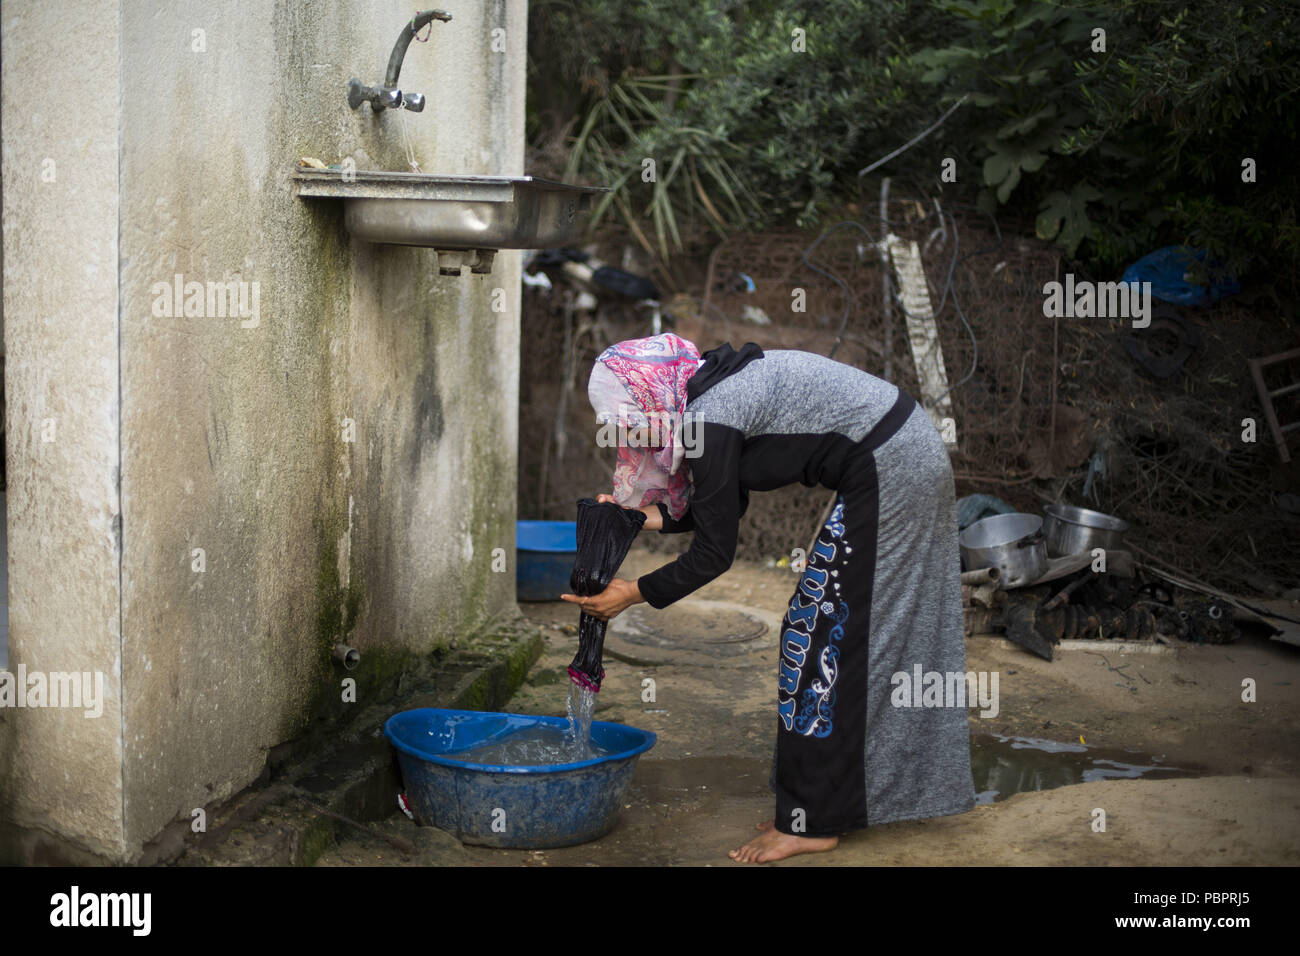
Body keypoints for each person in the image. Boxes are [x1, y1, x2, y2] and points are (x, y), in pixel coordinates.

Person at [561, 332, 975, 862]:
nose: (629, 436)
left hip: (895, 464)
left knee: (822, 634)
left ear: (649, 397)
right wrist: (635, 517)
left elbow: (714, 553)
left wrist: (633, 594)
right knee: (822, 629)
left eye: (629, 421)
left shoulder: (709, 418)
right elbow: (721, 506)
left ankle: (812, 821)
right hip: (892, 455)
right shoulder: (702, 396)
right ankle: (817, 806)